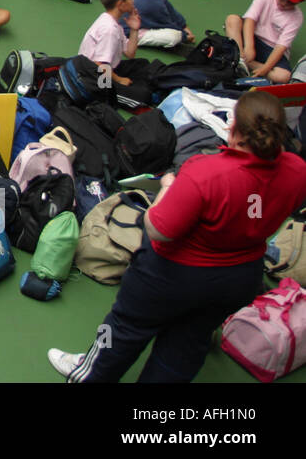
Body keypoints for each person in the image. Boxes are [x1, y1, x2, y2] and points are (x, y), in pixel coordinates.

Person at [51, 91, 306, 382]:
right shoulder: (298, 171)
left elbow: (158, 228)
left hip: (171, 276)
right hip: (239, 278)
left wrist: (169, 188)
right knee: (187, 347)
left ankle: (91, 375)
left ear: (232, 129)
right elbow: (259, 202)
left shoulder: (206, 172)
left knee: (123, 328)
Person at [224, 0, 304, 84]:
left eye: (290, 2)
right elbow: (250, 20)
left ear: (300, 1)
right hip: (252, 35)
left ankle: (240, 60)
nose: (284, 3)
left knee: (284, 76)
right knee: (232, 19)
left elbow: (281, 47)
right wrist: (249, 46)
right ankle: (241, 59)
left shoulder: (297, 17)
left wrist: (265, 68)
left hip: (271, 48)